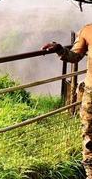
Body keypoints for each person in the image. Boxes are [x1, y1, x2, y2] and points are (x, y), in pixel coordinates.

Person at [43, 23, 92, 177]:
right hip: (91, 94)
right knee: (89, 136)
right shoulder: (88, 30)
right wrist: (59, 49)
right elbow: (75, 56)